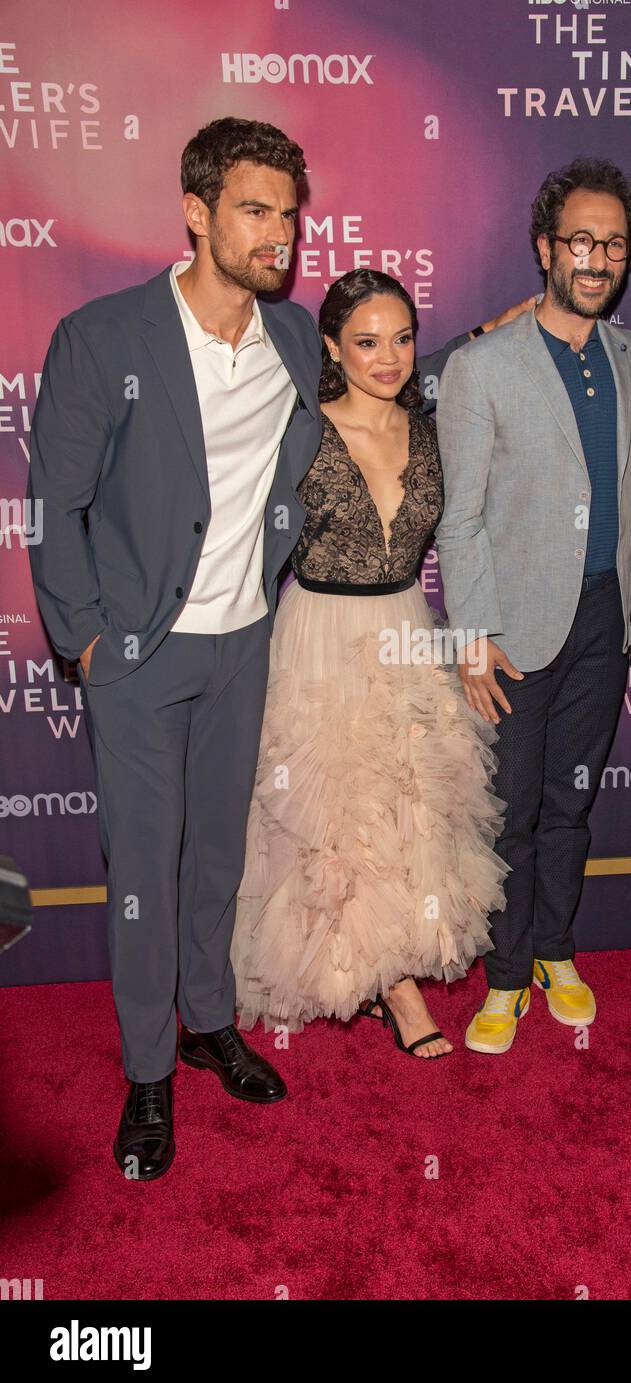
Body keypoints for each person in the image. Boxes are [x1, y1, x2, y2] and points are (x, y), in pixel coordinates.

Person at [25, 116, 529, 1181]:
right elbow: (53, 505)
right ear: (195, 213)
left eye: (289, 214)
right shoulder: (103, 338)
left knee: (218, 858)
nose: (278, 234)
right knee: (145, 876)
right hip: (138, 657)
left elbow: (384, 376)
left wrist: (493, 331)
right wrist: (82, 647)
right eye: (255, 211)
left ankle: (210, 1023)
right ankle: (148, 1071)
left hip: (247, 641)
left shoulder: (295, 339)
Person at [232, 271, 510, 1057]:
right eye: (365, 342)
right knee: (332, 814)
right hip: (319, 627)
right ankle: (390, 986)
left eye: (401, 339)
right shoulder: (299, 430)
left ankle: (390, 968)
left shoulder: (432, 429)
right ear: (330, 348)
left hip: (407, 625)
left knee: (408, 807)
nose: (387, 358)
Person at [436, 158, 631, 1054]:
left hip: (607, 617)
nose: (596, 258)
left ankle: (558, 949)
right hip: (515, 631)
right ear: (545, 248)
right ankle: (508, 974)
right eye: (580, 240)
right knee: (512, 810)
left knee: (570, 805)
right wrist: (473, 635)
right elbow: (460, 517)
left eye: (613, 244)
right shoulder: (482, 368)